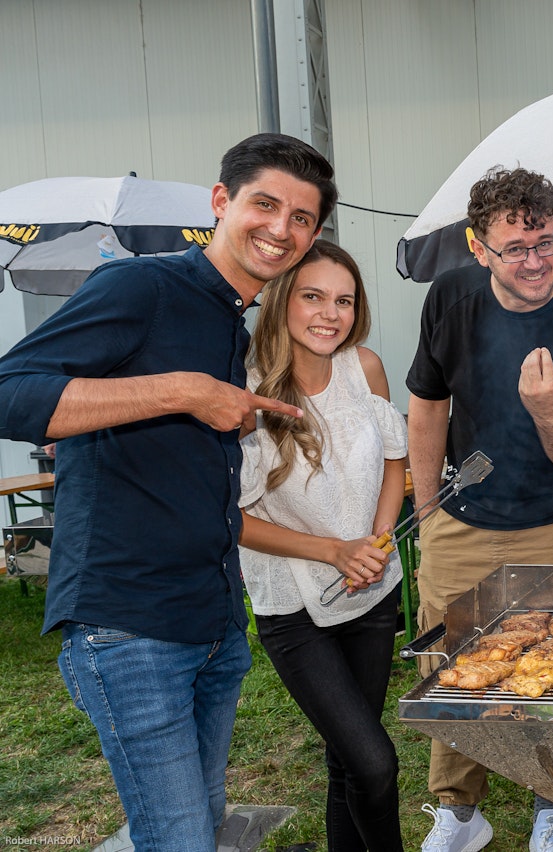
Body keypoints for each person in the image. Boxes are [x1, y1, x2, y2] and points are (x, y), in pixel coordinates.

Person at [0, 133, 335, 851]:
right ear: (222, 202)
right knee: (178, 838)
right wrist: (182, 391)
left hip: (211, 621)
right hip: (128, 624)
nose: (281, 229)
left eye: (301, 218)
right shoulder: (142, 286)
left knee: (199, 826)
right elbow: (9, 394)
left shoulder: (229, 322)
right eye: (265, 204)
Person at [406, 165, 553, 852]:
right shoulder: (450, 297)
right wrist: (427, 509)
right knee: (449, 666)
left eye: (547, 243)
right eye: (516, 249)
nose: (534, 262)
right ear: (479, 247)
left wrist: (550, 413)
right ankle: (460, 809)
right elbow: (426, 404)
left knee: (552, 664)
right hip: (459, 521)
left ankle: (550, 800)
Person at [238, 240, 408, 850]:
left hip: (370, 593)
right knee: (375, 761)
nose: (329, 313)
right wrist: (334, 550)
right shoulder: (246, 388)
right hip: (293, 604)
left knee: (347, 760)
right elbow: (228, 518)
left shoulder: (363, 368)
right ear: (282, 298)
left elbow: (396, 459)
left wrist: (379, 539)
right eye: (313, 296)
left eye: (344, 300)